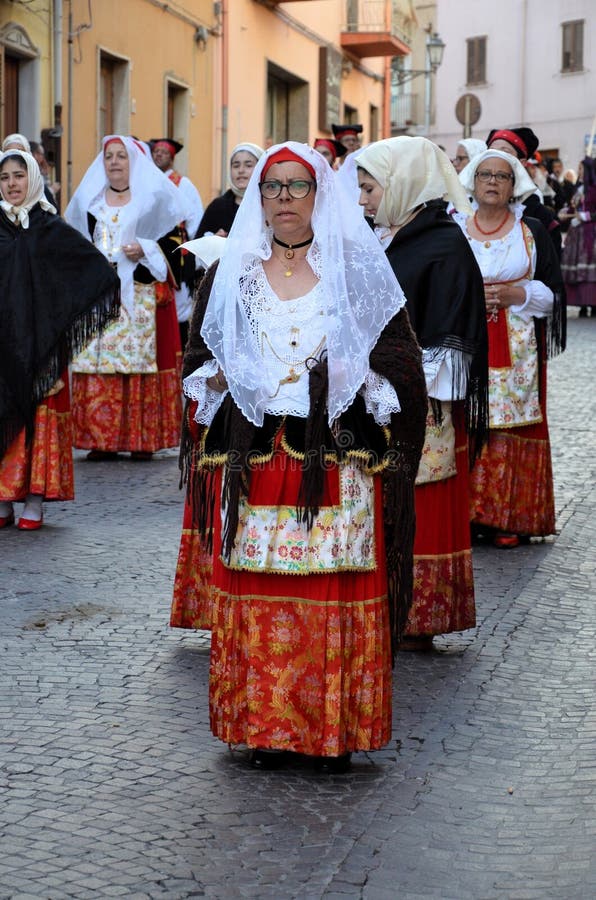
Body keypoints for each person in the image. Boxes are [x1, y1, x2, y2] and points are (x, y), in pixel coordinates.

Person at [173, 141, 427, 770]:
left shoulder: (358, 271)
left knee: (332, 595)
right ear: (258, 197)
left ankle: (329, 730)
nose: (285, 199)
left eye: (298, 186)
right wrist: (228, 379)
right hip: (257, 460)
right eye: (273, 187)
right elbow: (198, 363)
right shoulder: (228, 274)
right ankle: (262, 726)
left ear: (321, 195)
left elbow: (400, 365)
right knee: (257, 593)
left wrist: (351, 376)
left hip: (333, 462)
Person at [355, 136, 489, 650]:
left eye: (370, 188)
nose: (363, 200)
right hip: (372, 394)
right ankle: (378, 601)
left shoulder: (443, 244)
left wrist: (400, 376)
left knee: (420, 502)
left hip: (422, 400)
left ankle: (419, 616)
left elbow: (452, 332)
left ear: (402, 183)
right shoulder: (382, 236)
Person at [0, 149, 119, 530]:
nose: (12, 184)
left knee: (37, 418)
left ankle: (34, 500)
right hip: (3, 344)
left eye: (19, 176)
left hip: (42, 344)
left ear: (32, 178)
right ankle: (3, 499)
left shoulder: (49, 228)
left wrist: (62, 325)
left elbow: (95, 271)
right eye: (4, 178)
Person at [456, 149, 565, 546]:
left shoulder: (531, 230)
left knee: (508, 426)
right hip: (466, 340)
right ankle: (466, 516)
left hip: (516, 342)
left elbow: (554, 294)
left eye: (502, 176)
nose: (492, 181)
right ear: (472, 180)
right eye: (485, 174)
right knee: (464, 423)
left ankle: (507, 518)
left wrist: (516, 293)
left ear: (513, 184)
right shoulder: (455, 228)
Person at [65, 135, 183, 461]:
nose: (115, 162)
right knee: (99, 362)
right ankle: (101, 441)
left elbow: (175, 248)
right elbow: (74, 246)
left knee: (137, 367)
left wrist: (145, 248)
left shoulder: (153, 203)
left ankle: (140, 440)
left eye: (121, 156)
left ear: (135, 162)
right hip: (100, 295)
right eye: (109, 156)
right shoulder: (90, 205)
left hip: (139, 295)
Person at [151, 138, 204, 346]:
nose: (159, 155)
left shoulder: (183, 184)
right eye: (156, 152)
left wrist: (186, 243)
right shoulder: (147, 182)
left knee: (179, 302)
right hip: (153, 248)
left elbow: (195, 218)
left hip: (176, 249)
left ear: (172, 158)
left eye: (163, 152)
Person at [485, 127, 562, 257]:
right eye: (491, 153)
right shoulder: (469, 212)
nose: (496, 158)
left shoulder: (540, 217)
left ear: (522, 163)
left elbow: (550, 271)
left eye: (504, 153)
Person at [195, 142, 264, 238]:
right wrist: (213, 242)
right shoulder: (217, 207)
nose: (241, 170)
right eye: (236, 166)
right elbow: (195, 248)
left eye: (248, 165)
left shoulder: (269, 205)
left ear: (261, 168)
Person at [561, 156, 596, 317]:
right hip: (577, 233)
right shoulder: (579, 189)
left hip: (591, 234)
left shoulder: (594, 189)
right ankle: (582, 303)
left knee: (590, 268)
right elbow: (572, 208)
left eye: (581, 169)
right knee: (577, 268)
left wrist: (587, 216)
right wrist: (565, 213)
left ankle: (593, 304)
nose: (579, 171)